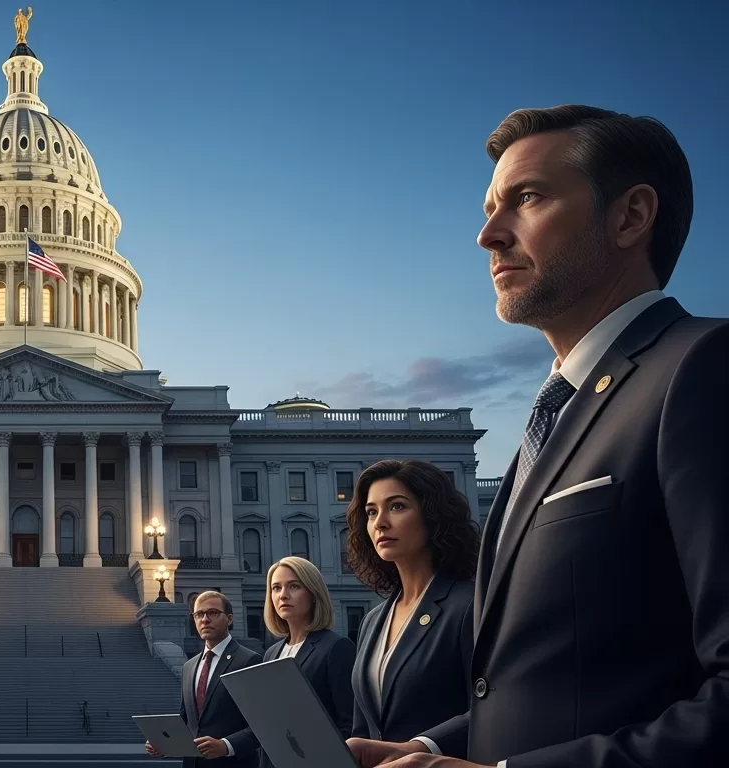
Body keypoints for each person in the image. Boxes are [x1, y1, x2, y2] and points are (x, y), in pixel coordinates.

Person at [350, 106, 728, 768]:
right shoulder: (559, 412)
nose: (488, 236)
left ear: (631, 217)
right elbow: (547, 682)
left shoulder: (702, 368)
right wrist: (430, 748)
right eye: (492, 207)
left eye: (527, 198)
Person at [343, 460, 479, 747]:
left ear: (433, 516)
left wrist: (423, 746)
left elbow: (492, 706)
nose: (380, 522)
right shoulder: (372, 620)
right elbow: (363, 727)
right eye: (371, 512)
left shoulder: (470, 604)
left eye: (397, 506)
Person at [146, 590, 262, 767]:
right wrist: (164, 744)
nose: (205, 619)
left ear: (229, 619)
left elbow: (263, 724)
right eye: (199, 614)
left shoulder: (249, 660)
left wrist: (226, 745)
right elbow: (187, 719)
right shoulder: (189, 666)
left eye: (213, 613)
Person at [261, 555, 356, 766]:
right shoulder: (271, 653)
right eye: (276, 588)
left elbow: (349, 723)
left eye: (294, 586)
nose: (283, 595)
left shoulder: (336, 647)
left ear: (314, 594)